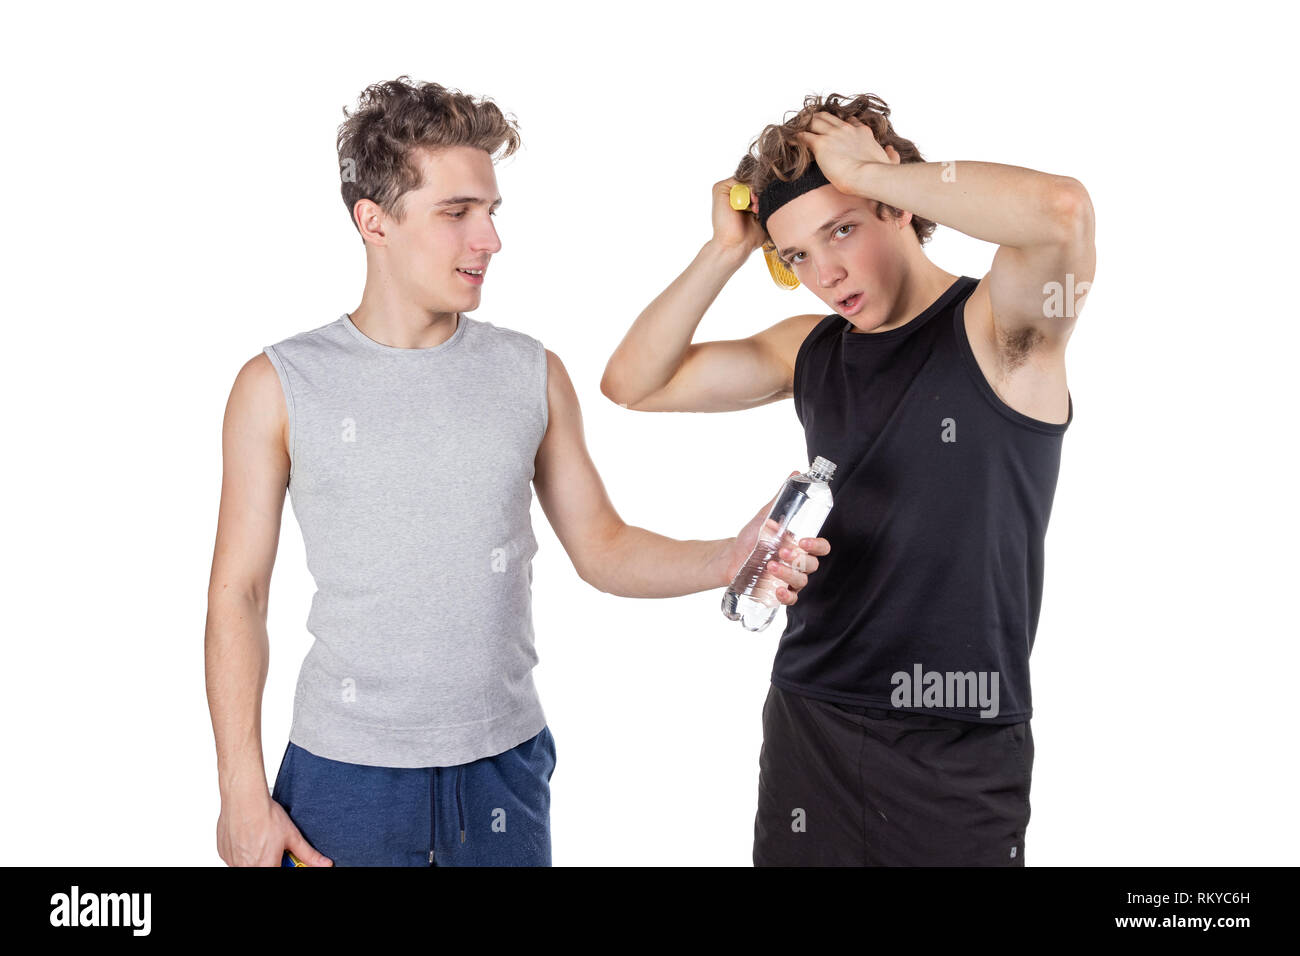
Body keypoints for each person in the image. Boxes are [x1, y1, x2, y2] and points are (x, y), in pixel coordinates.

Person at [204, 76, 831, 867]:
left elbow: (603, 548)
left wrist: (727, 558)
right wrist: (240, 794)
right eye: (457, 212)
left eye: (491, 211)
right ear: (374, 221)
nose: (489, 239)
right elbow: (239, 594)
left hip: (504, 772)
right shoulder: (279, 384)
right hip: (343, 777)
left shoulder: (531, 372)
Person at [601, 92, 1094, 865]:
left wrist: (870, 173)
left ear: (896, 203)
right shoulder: (810, 348)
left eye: (842, 229)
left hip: (957, 743)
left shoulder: (1001, 330)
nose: (825, 274)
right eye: (796, 255)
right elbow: (634, 383)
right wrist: (725, 250)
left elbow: (1061, 212)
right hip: (812, 723)